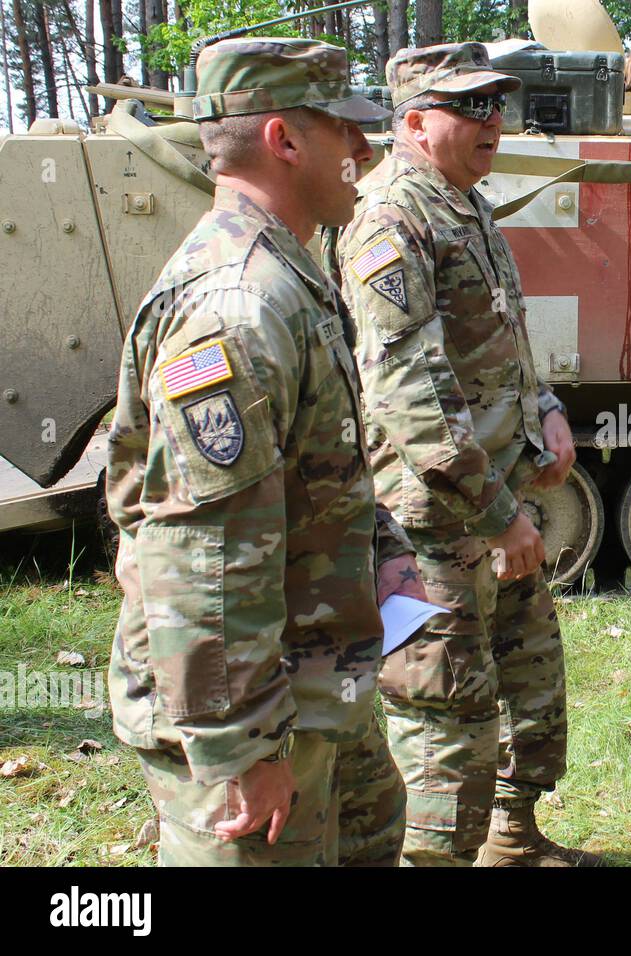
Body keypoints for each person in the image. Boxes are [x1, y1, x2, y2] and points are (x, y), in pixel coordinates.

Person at [106, 37, 425, 866]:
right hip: (254, 715)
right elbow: (202, 552)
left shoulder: (289, 273)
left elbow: (307, 473)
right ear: (285, 140)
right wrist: (244, 750)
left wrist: (381, 553)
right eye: (344, 131)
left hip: (310, 686)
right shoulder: (240, 305)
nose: (365, 150)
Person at [333, 42, 596, 867]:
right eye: (470, 106)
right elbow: (406, 387)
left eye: (497, 104)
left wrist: (546, 410)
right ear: (412, 121)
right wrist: (496, 514)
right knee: (445, 707)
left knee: (530, 684)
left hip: (500, 498)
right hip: (434, 518)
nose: (494, 120)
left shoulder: (465, 202)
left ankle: (510, 841)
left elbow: (500, 339)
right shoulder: (391, 215)